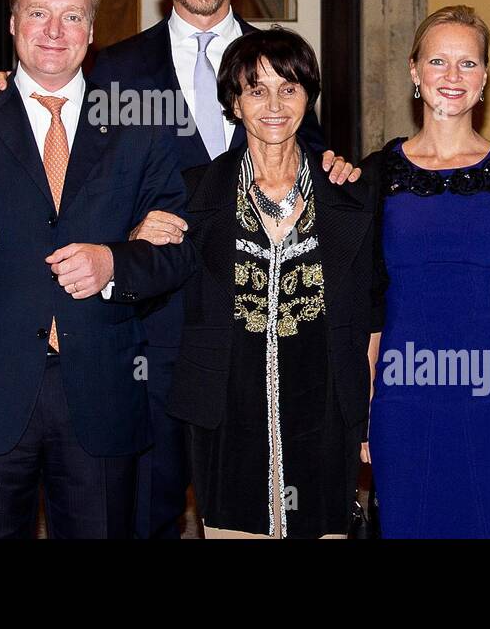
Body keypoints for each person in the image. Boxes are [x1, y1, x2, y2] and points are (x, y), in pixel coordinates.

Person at [0, 0, 359, 538]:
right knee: (143, 518)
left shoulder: (283, 66)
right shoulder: (112, 71)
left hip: (259, 346)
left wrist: (340, 175)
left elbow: (309, 178)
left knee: (257, 519)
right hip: (149, 341)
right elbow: (69, 189)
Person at [0, 0, 193, 539]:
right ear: (12, 22)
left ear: (92, 28)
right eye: (38, 13)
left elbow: (179, 246)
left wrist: (113, 262)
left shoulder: (141, 123)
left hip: (103, 395)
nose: (54, 31)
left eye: (72, 15)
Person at [153, 27, 380, 538]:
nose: (273, 104)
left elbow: (371, 312)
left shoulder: (350, 194)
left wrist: (364, 412)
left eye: (289, 88)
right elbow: (147, 280)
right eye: (256, 90)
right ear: (234, 103)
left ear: (308, 99)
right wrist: (136, 234)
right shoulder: (190, 196)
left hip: (325, 420)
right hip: (226, 422)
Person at [364, 6, 490, 538]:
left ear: (485, 77)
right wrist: (364, 406)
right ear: (413, 71)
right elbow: (370, 303)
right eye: (439, 62)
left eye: (467, 63)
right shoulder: (376, 174)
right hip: (405, 396)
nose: (452, 77)